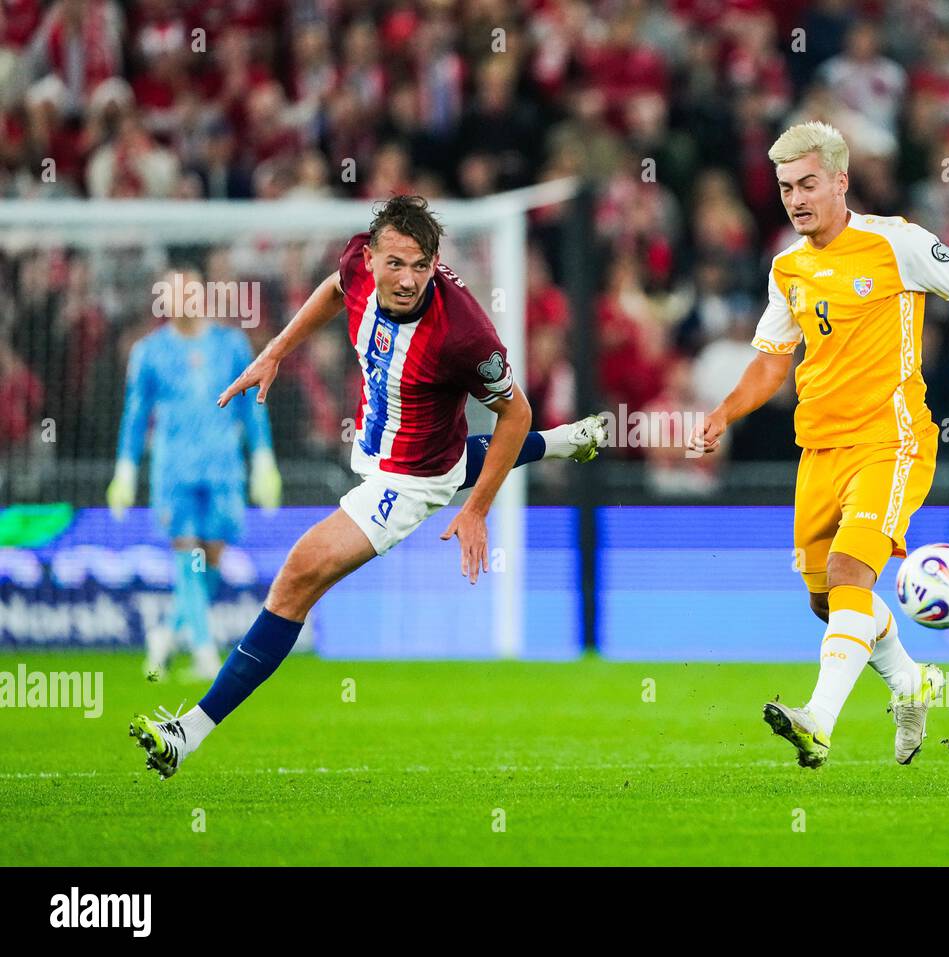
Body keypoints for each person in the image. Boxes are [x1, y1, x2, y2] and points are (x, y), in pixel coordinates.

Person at [128, 195, 603, 778]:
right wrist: (276, 350)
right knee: (456, 460)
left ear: (436, 262)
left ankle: (187, 734)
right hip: (396, 444)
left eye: (421, 265)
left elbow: (515, 413)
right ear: (371, 257)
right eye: (395, 263)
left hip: (410, 480)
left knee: (300, 573)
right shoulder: (356, 262)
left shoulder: (465, 337)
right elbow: (333, 289)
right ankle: (568, 441)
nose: (407, 279)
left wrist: (478, 510)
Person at [691, 122, 949, 767]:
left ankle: (817, 721)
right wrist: (723, 413)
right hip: (819, 451)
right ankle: (912, 681)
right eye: (786, 187)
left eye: (808, 184)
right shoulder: (787, 268)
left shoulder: (895, 242)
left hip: (892, 440)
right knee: (826, 600)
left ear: (841, 182)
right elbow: (772, 361)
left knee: (853, 573)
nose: (795, 199)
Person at [107, 268, 281, 681]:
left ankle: (166, 635)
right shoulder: (149, 352)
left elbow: (252, 403)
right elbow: (136, 416)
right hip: (174, 470)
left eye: (190, 292)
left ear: (203, 296)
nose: (183, 301)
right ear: (164, 302)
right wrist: (126, 468)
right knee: (188, 556)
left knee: (213, 560)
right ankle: (205, 653)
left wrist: (263, 458)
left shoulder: (231, 345)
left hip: (222, 467)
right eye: (174, 295)